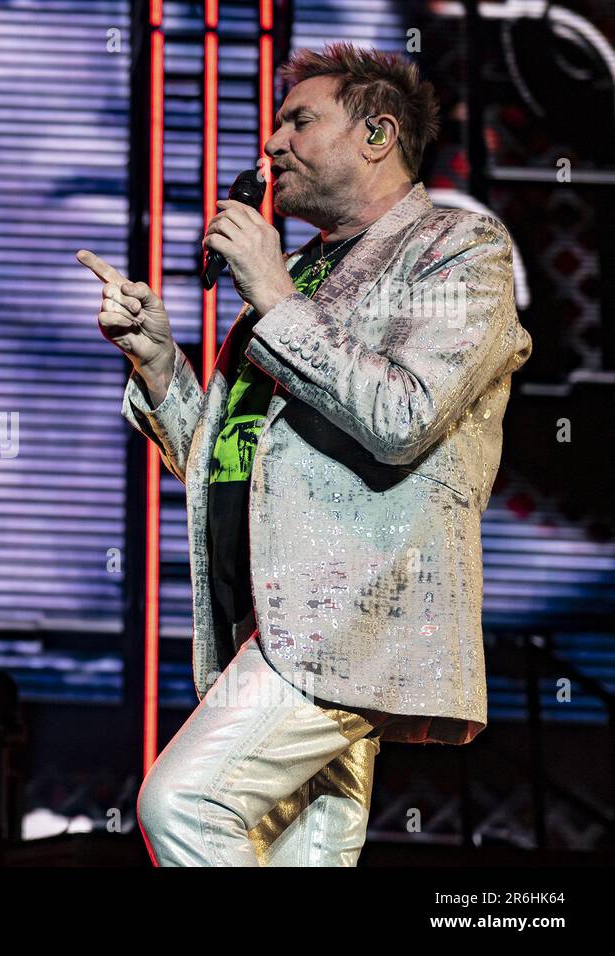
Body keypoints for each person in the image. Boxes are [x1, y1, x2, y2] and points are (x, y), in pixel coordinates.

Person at [78, 43, 532, 865]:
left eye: (299, 121)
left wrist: (276, 296)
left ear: (377, 134)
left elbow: (404, 416)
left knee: (184, 803)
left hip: (352, 615)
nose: (270, 144)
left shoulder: (458, 249)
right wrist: (156, 360)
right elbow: (234, 464)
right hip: (270, 620)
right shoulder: (293, 273)